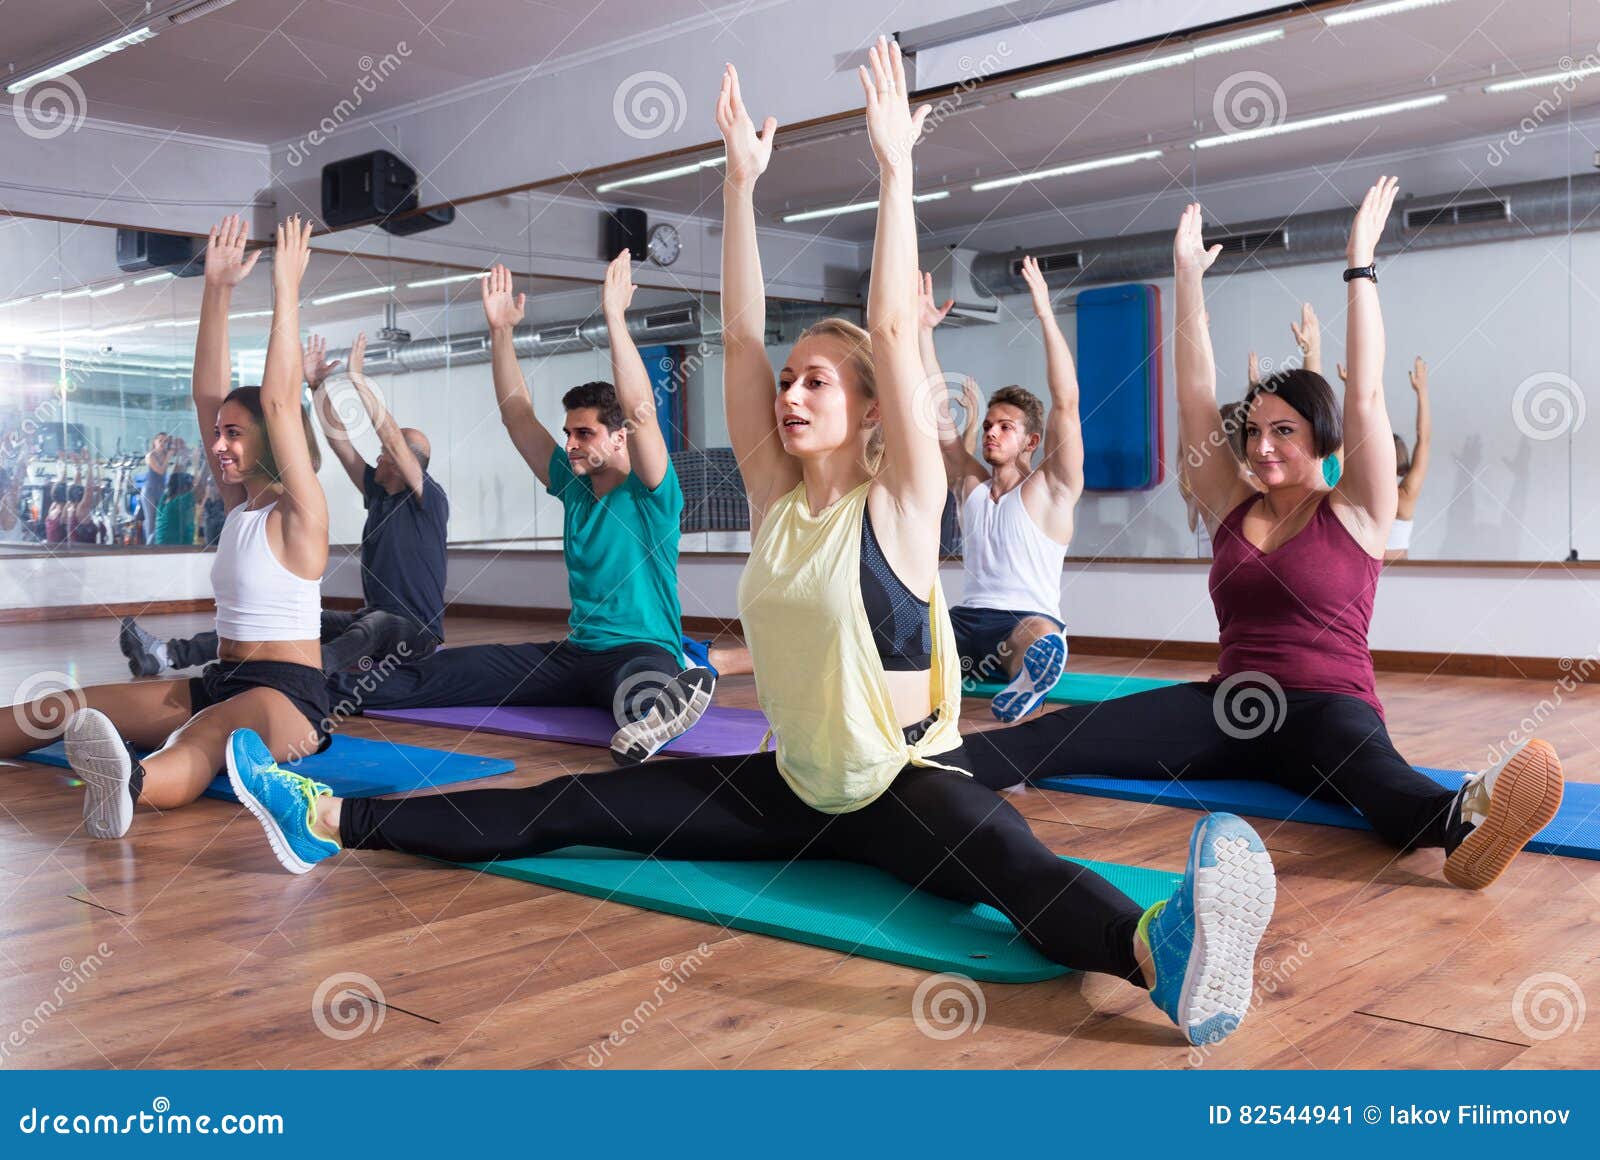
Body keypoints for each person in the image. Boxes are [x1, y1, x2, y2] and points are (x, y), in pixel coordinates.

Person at [224, 45, 1278, 1049]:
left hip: (904, 781)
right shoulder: (778, 499)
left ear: (872, 407)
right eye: (788, 380)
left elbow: (892, 332)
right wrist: (737, 184)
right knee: (571, 803)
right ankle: (333, 815)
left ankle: (1161, 951)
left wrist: (894, 169)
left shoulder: (903, 500)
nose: (790, 393)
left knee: (1007, 858)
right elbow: (737, 336)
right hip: (792, 784)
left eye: (818, 381)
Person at [963, 183, 1564, 892]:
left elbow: (1367, 392)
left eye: (1284, 430)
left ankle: (1466, 818)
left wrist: (1359, 265)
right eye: (1254, 432)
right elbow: (1194, 398)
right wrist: (1186, 278)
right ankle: (925, 773)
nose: (1264, 445)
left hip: (1328, 709)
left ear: (1322, 437)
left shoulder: (1358, 509)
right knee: (1054, 735)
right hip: (1228, 709)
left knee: (1382, 784)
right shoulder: (1231, 502)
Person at [0, 213, 332, 840]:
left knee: (205, 735)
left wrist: (286, 287)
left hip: (290, 700)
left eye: (235, 434)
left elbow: (281, 402)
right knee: (68, 706)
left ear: (272, 438)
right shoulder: (240, 506)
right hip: (222, 680)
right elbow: (205, 395)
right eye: (218, 434)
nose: (219, 445)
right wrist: (217, 288)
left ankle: (130, 787)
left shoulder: (300, 512)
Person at [308, 251, 713, 765]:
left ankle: (654, 718)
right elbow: (517, 417)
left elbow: (641, 411)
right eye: (568, 433)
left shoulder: (650, 491)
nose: (569, 444)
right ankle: (313, 692)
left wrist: (614, 316)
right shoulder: (573, 486)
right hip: (575, 655)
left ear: (619, 438)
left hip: (640, 651)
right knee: (445, 672)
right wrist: (501, 332)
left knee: (640, 686)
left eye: (583, 433)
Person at [119, 332, 449, 678]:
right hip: (372, 616)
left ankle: (314, 671)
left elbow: (392, 440)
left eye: (386, 454)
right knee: (289, 622)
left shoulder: (429, 500)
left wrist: (358, 380)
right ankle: (165, 654)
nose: (379, 456)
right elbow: (341, 444)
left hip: (417, 634)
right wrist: (318, 387)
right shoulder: (379, 492)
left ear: (402, 463)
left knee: (375, 626)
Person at [924, 255, 1083, 722]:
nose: (990, 432)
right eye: (988, 425)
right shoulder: (971, 484)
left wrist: (1045, 313)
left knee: (1036, 637)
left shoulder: (1051, 488)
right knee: (911, 627)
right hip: (966, 620)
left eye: (1005, 427)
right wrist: (923, 333)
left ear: (1031, 441)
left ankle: (1028, 677)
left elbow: (1066, 402)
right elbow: (937, 413)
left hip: (1024, 622)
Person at [1385, 357, 1431, 560]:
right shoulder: (1405, 494)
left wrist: (1422, 391)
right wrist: (1422, 392)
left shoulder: (1366, 492)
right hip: (1397, 572)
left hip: (1392, 573)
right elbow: (1424, 440)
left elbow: (1424, 440)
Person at [153, 470, 195, 546]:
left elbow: (174, 477)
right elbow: (200, 489)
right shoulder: (176, 504)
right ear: (185, 488)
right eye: (190, 488)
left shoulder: (164, 500)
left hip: (164, 549)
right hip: (177, 551)